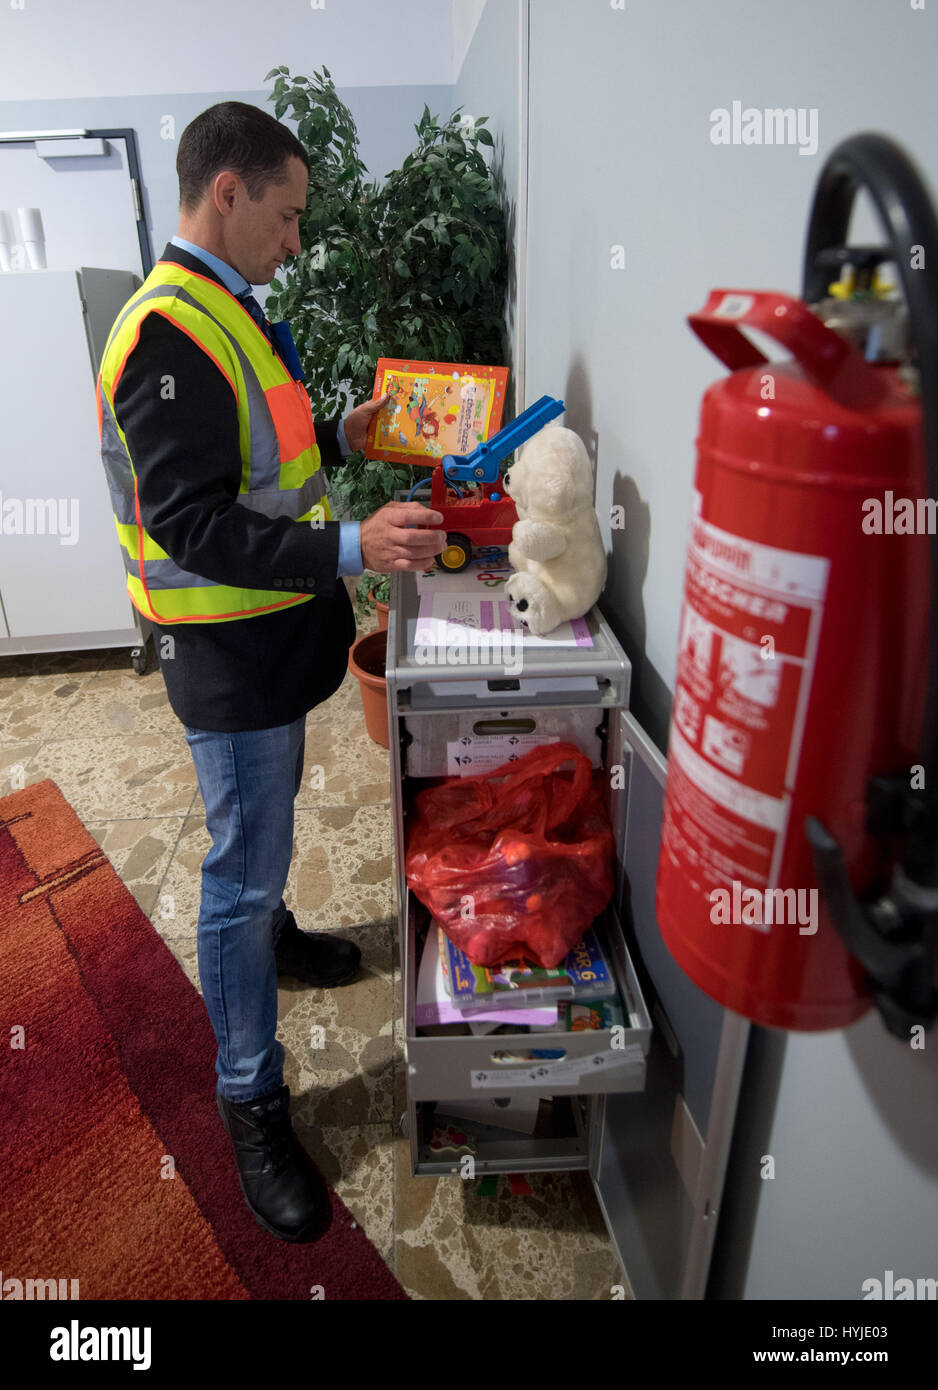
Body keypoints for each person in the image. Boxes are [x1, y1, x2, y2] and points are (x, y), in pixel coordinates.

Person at [96, 100, 444, 1244]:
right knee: (237, 868)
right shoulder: (167, 332)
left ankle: (277, 937)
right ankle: (249, 1096)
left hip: (270, 632)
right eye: (287, 215)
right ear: (228, 193)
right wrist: (353, 544)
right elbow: (193, 521)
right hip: (228, 647)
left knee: (263, 833)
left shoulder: (228, 306)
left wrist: (340, 435)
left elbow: (263, 459)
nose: (297, 240)